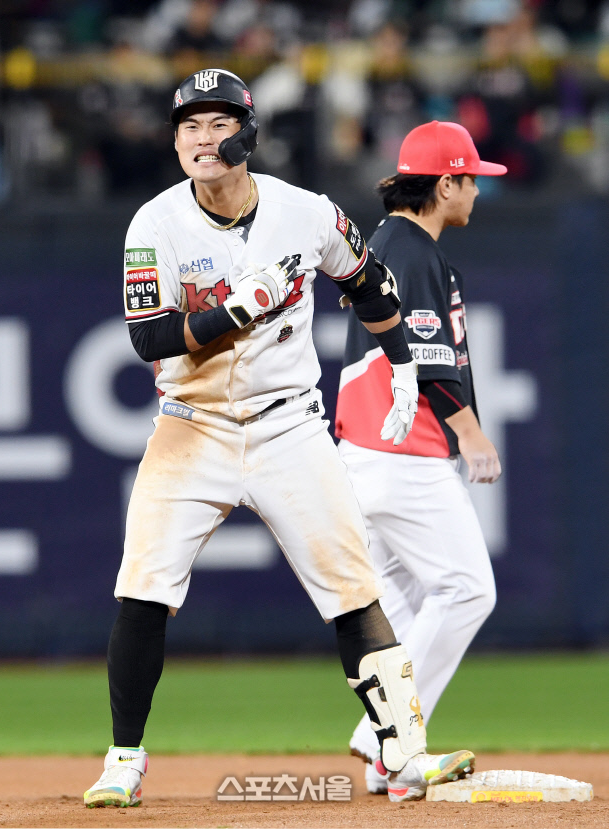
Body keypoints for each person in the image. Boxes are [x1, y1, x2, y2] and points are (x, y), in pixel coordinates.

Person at [84, 70, 475, 809]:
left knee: (352, 588)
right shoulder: (154, 223)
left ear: (247, 135)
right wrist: (233, 309)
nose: (202, 138)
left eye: (217, 123)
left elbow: (368, 282)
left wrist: (400, 365)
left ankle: (403, 754)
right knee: (142, 589)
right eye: (188, 126)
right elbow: (148, 339)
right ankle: (124, 757)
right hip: (191, 427)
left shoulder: (305, 213)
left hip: (287, 425)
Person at [335, 120, 506, 794]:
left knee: (402, 604)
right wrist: (470, 431)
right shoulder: (410, 251)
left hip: (365, 454)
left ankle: (390, 755)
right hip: (401, 452)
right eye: (470, 180)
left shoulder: (391, 244)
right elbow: (428, 355)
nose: (475, 192)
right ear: (444, 183)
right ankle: (391, 738)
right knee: (467, 589)